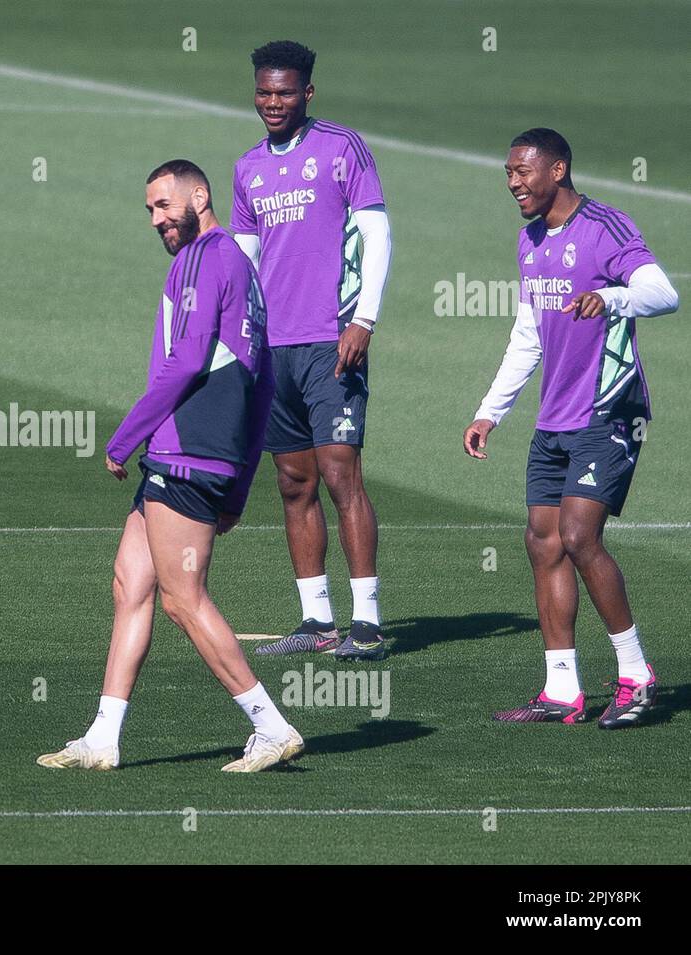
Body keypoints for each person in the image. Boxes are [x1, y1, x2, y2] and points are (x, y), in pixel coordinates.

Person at [37, 161, 302, 773]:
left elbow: (183, 364)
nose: (157, 219)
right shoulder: (230, 264)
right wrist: (239, 485)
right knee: (131, 582)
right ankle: (103, 737)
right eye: (150, 210)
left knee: (184, 599)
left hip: (187, 451)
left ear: (199, 197)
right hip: (198, 454)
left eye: (164, 205)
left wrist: (123, 439)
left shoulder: (210, 258)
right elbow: (261, 383)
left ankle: (271, 725)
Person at [464, 129, 678, 728]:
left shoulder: (605, 226)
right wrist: (491, 409)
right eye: (508, 172)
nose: (513, 183)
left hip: (609, 409)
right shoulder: (530, 240)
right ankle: (563, 690)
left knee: (581, 537)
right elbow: (528, 334)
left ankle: (636, 676)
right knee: (543, 542)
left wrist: (610, 299)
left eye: (523, 171)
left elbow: (663, 293)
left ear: (557, 170)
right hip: (555, 417)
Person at [230, 41, 392, 660]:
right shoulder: (247, 168)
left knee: (340, 474)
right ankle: (315, 620)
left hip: (333, 341)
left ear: (308, 94)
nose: (274, 103)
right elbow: (244, 264)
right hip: (273, 349)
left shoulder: (341, 149)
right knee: (293, 483)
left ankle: (368, 622)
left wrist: (364, 320)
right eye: (265, 92)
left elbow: (376, 232)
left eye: (286, 92)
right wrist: (241, 343)